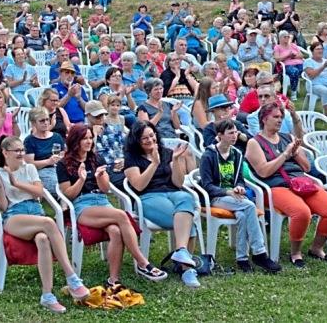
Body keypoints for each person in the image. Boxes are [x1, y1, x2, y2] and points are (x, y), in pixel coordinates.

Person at [0, 136, 92, 313]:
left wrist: (16, 182)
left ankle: (47, 296)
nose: (20, 153)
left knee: (42, 239)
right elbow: (2, 206)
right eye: (16, 150)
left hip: (34, 212)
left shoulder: (30, 168)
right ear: (5, 152)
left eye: (22, 150)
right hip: (14, 216)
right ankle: (72, 278)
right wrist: (0, 186)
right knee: (49, 223)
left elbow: (39, 192)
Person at [58, 123, 169, 287]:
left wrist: (100, 177)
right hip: (81, 205)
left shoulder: (96, 159)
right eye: (84, 139)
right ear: (75, 141)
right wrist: (81, 179)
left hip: (102, 201)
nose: (89, 142)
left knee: (116, 231)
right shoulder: (64, 164)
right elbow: (68, 195)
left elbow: (105, 189)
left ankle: (113, 280)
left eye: (90, 138)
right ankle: (142, 262)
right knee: (122, 215)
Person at [246, 101, 327, 268]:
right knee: (302, 212)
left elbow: (306, 167)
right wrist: (285, 155)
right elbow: (263, 172)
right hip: (275, 187)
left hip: (300, 182)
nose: (279, 120)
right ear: (264, 119)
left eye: (281, 117)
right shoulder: (255, 143)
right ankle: (295, 253)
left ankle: (316, 248)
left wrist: (296, 153)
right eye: (275, 117)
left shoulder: (288, 138)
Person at [123, 121, 202, 288]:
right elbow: (138, 185)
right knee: (190, 225)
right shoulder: (131, 157)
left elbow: (179, 182)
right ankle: (186, 270)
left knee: (186, 198)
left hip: (173, 193)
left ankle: (181, 253)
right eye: (144, 138)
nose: (150, 140)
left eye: (152, 136)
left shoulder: (166, 152)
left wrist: (176, 160)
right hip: (148, 197)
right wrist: (154, 164)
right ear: (136, 140)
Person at [199, 119, 281, 274]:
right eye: (230, 133)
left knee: (243, 215)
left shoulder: (237, 154)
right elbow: (207, 186)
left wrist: (239, 188)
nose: (234, 136)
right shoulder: (208, 156)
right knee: (249, 205)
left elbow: (240, 180)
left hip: (234, 198)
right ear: (220, 135)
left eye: (236, 132)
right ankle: (259, 252)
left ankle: (242, 258)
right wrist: (227, 192)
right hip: (217, 197)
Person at [24, 106, 65, 194]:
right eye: (42, 121)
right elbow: (30, 165)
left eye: (47, 119)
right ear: (34, 123)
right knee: (56, 185)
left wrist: (60, 159)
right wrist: (48, 161)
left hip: (59, 168)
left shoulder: (56, 137)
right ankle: (63, 203)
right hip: (42, 171)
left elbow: (63, 155)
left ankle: (64, 204)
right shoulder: (29, 140)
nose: (46, 123)